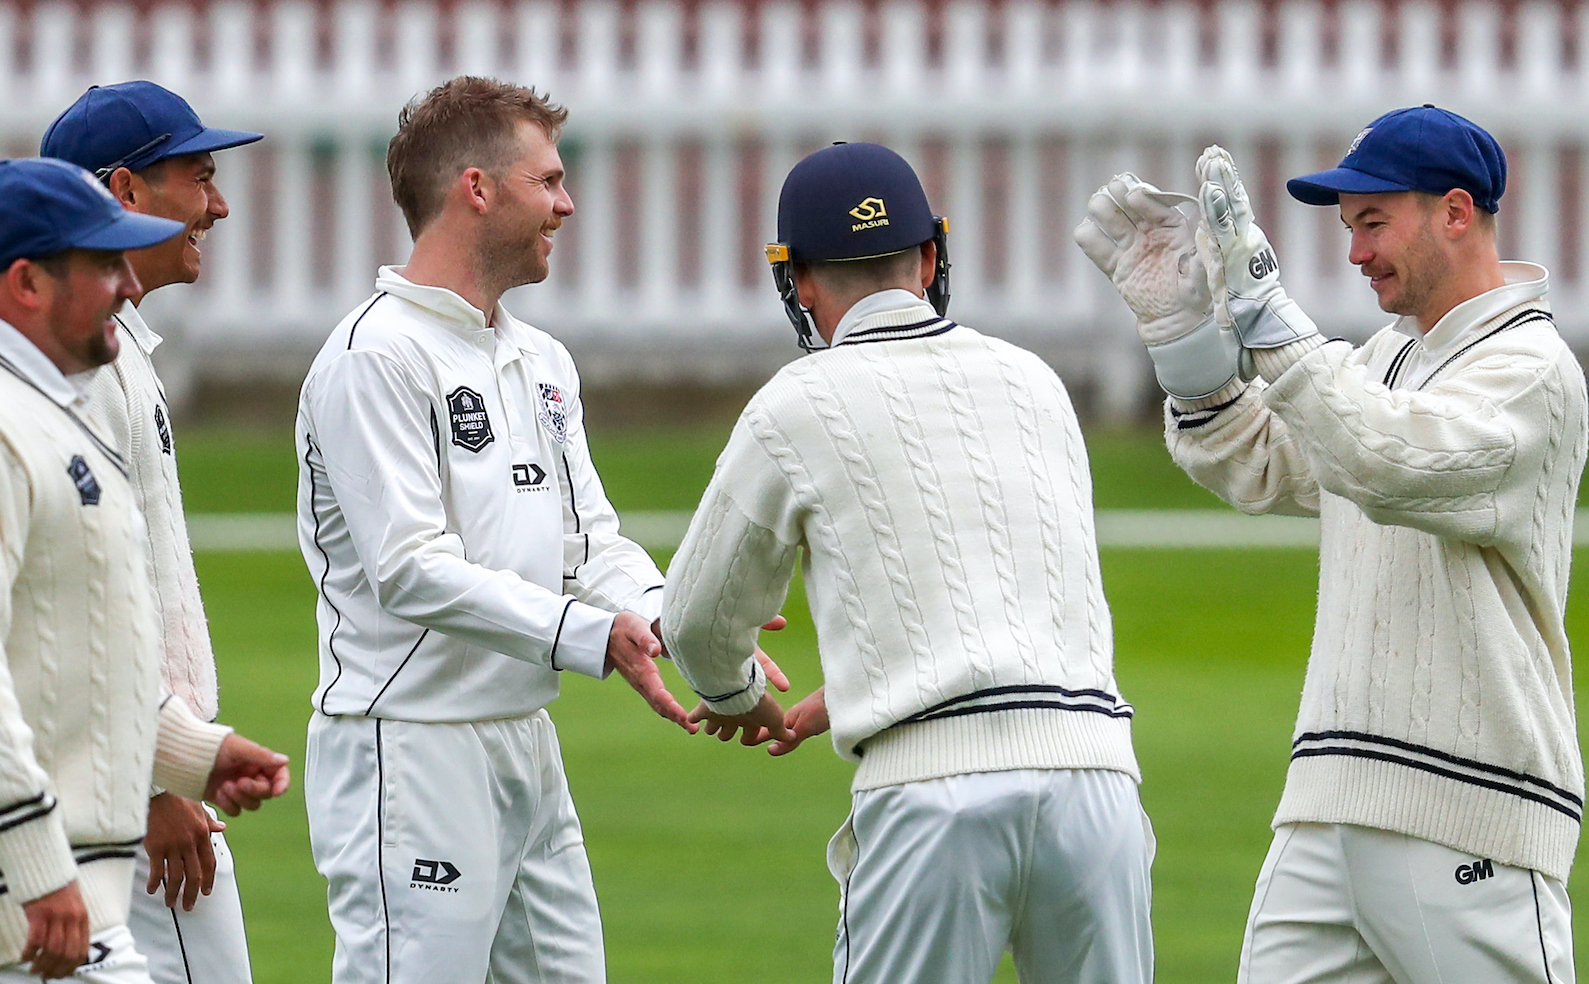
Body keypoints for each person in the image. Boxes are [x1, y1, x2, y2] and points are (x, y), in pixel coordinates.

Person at [295, 76, 786, 984]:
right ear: (476, 189)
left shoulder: (539, 357)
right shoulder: (374, 357)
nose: (567, 203)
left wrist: (671, 620)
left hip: (523, 737)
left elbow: (586, 540)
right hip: (409, 740)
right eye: (549, 180)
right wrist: (591, 636)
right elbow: (408, 569)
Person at [1076, 105, 1583, 984]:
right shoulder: (1384, 359)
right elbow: (1266, 463)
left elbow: (1384, 459)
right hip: (1327, 803)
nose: (1355, 254)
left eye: (1373, 224)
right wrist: (1186, 340)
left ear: (1455, 213)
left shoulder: (1530, 370)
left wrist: (1269, 314)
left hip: (1471, 807)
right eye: (1349, 230)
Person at [662, 142, 1154, 984]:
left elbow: (696, 621)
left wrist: (737, 696)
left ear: (801, 283)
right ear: (929, 258)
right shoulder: (1034, 381)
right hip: (1094, 779)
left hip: (930, 789)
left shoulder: (794, 403)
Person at [0, 157, 289, 983]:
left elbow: (75, 646)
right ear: (26, 283)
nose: (129, 283)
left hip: (75, 893)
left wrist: (195, 753)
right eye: (102, 264)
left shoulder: (61, 409)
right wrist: (36, 868)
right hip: (40, 903)